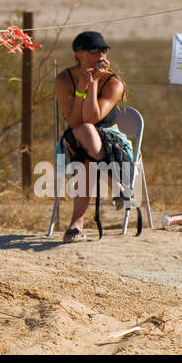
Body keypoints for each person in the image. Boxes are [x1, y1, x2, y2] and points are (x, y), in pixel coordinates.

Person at [53, 30, 126, 242]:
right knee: (84, 132)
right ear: (79, 55)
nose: (101, 56)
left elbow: (92, 118)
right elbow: (75, 122)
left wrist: (93, 83)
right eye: (94, 51)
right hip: (76, 139)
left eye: (104, 50)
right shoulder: (64, 80)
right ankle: (117, 186)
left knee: (86, 158)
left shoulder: (114, 83)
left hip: (111, 145)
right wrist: (80, 90)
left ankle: (76, 224)